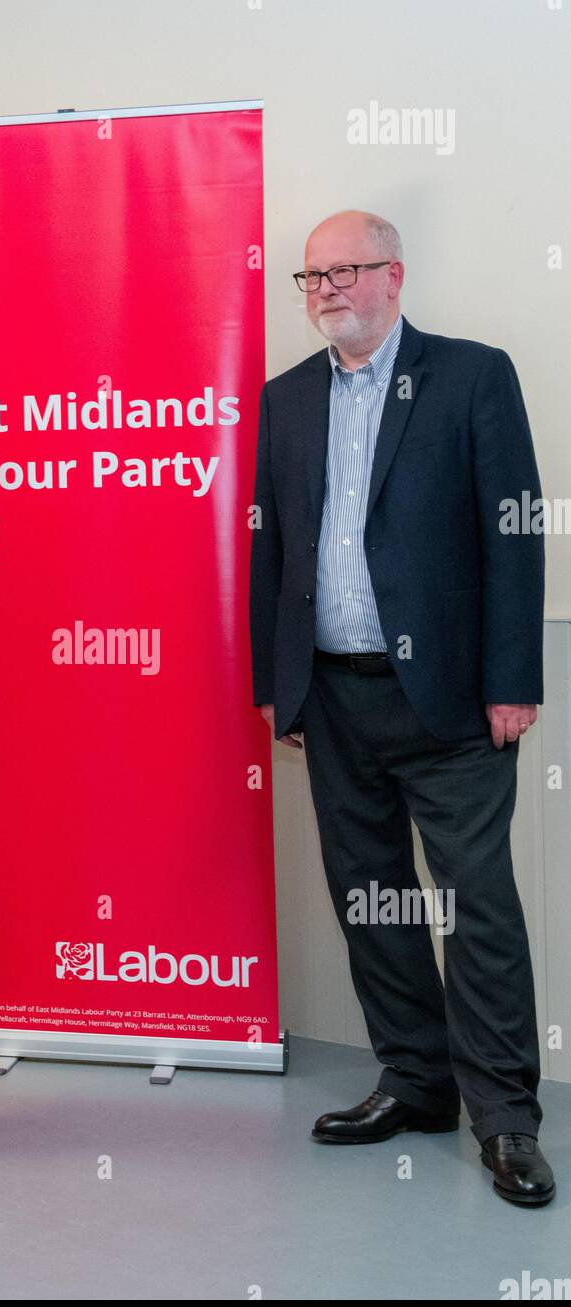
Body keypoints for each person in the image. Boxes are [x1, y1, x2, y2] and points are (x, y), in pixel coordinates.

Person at [249, 209, 554, 1206]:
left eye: (349, 269)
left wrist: (514, 679)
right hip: (332, 698)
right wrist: (276, 682)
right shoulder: (286, 399)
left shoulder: (472, 375)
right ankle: (417, 1083)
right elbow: (271, 554)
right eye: (313, 275)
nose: (329, 288)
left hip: (453, 703)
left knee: (476, 908)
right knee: (371, 901)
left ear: (395, 276)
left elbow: (515, 533)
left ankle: (504, 1114)